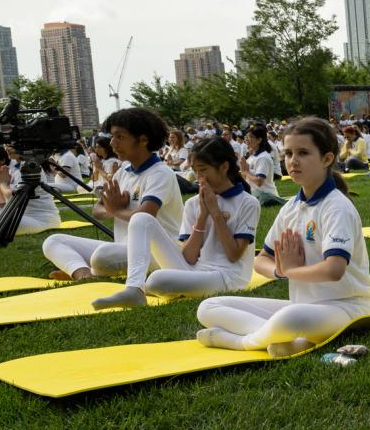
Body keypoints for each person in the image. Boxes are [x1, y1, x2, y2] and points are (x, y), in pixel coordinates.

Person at [195, 118, 370, 357]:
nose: (293, 161)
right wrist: (280, 272)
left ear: (327, 159)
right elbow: (261, 260)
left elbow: (334, 270)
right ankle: (290, 340)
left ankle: (242, 342)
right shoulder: (291, 207)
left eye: (303, 153)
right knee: (209, 307)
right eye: (288, 153)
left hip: (346, 307)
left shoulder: (336, 206)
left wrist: (290, 270)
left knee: (290, 318)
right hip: (303, 307)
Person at [90, 138, 261, 310]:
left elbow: (233, 255)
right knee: (140, 218)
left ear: (224, 167)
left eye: (203, 170)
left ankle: (164, 287)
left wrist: (215, 213)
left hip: (226, 276)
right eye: (195, 171)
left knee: (156, 280)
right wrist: (202, 215)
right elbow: (188, 257)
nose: (199, 177)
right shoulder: (193, 203)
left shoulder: (248, 203)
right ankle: (134, 288)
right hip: (195, 268)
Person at [42, 108, 185, 281]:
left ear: (143, 140)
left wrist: (115, 210)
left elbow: (146, 216)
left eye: (120, 137)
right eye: (112, 136)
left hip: (158, 252)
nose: (112, 143)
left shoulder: (160, 173)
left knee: (104, 255)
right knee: (54, 241)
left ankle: (88, 270)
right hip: (122, 248)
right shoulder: (123, 170)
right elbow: (98, 210)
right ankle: (85, 275)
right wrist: (112, 209)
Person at [0, 146, 62, 237]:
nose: (7, 149)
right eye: (6, 146)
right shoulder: (15, 168)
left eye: (11, 146)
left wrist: (2, 184)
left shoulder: (29, 167)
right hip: (20, 216)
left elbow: (15, 198)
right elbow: (0, 200)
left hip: (41, 220)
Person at [241, 126, 281, 202]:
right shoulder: (251, 156)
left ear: (259, 140)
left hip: (267, 196)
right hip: (256, 195)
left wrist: (246, 171)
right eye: (246, 137)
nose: (246, 139)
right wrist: (243, 169)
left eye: (250, 137)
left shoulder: (263, 158)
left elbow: (259, 181)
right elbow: (246, 178)